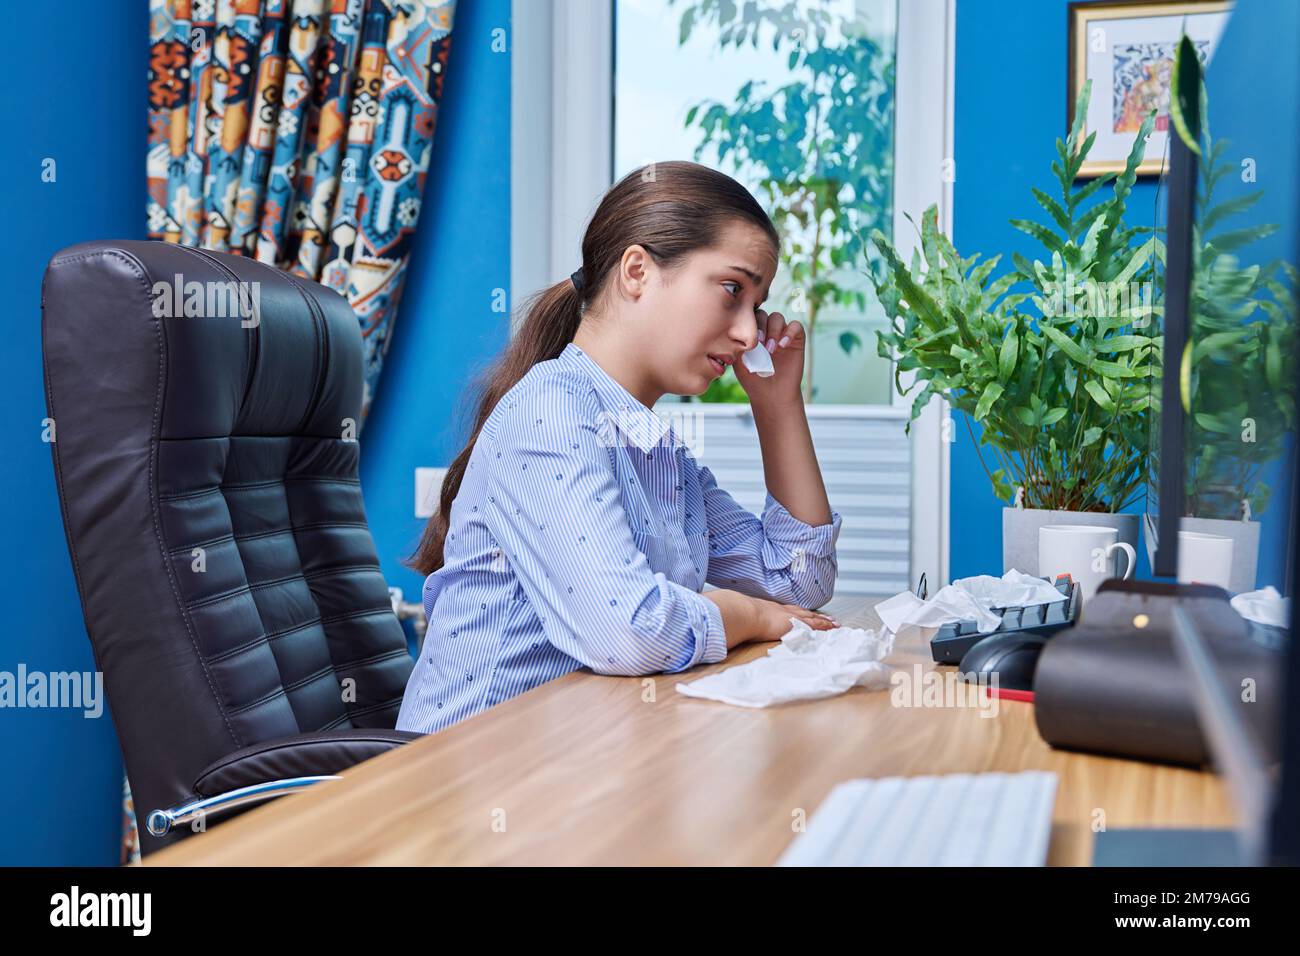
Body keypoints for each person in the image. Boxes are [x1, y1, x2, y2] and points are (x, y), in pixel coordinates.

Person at [396, 160, 843, 734]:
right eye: (732, 289)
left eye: (755, 305)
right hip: (466, 780)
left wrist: (779, 406)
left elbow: (798, 579)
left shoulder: (659, 453)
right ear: (637, 271)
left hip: (582, 756)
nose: (750, 333)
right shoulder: (550, 413)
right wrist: (752, 615)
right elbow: (627, 628)